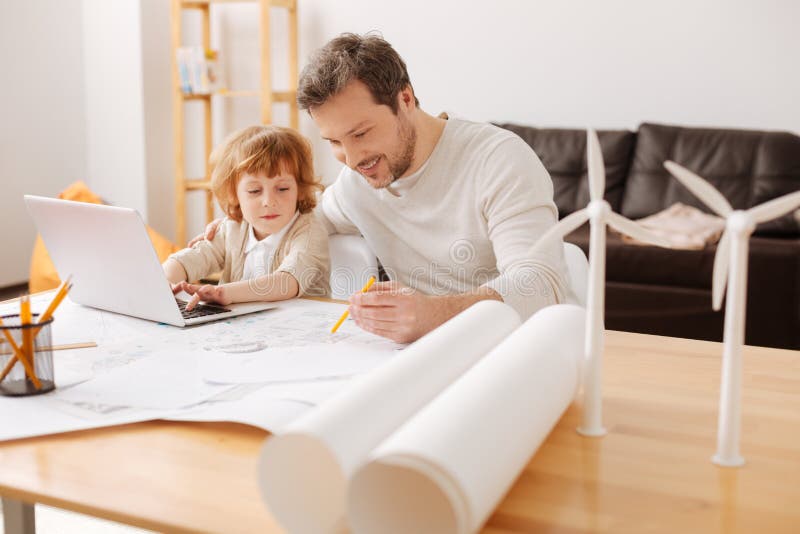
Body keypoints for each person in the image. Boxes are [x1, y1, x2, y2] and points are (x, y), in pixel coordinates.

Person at [195, 33, 573, 342]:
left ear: (405, 99)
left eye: (361, 133)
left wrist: (432, 313)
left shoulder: (498, 159)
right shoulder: (356, 185)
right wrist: (233, 224)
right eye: (334, 142)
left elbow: (539, 285)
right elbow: (299, 220)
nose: (353, 157)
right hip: (425, 353)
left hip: (518, 348)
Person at [165, 125, 330, 310]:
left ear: (300, 189)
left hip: (301, 330)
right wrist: (164, 281)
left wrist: (224, 293)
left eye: (282, 189)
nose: (269, 201)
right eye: (254, 191)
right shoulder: (232, 228)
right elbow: (190, 259)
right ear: (234, 194)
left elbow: (287, 283)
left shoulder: (309, 232)